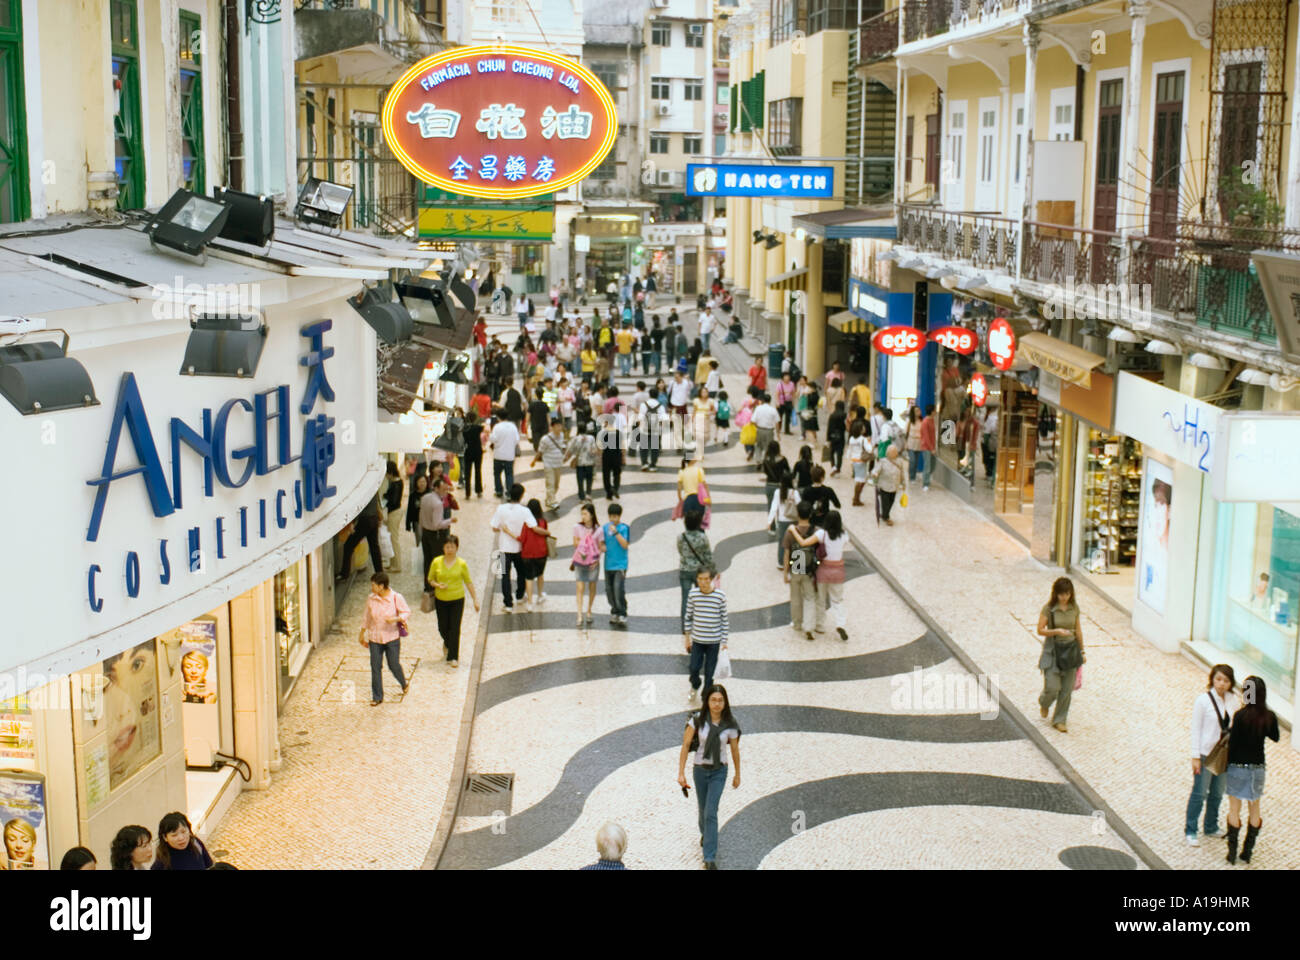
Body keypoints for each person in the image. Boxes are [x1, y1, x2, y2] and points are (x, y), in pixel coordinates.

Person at [677, 683, 741, 870]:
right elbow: (686, 745)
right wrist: (681, 772)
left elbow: (735, 750)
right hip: (700, 770)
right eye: (713, 700)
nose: (717, 704)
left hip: (719, 771)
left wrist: (737, 773)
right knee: (703, 809)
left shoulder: (730, 724)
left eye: (720, 700)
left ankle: (709, 856)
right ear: (707, 701)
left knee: (711, 812)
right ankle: (706, 834)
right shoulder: (696, 721)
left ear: (725, 702)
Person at [1224, 675, 1280, 864]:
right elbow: (1276, 737)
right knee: (1255, 807)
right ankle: (1247, 851)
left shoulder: (1240, 716)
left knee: (1234, 807)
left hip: (1238, 766)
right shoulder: (1269, 716)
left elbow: (1233, 744)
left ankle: (1231, 852)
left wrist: (1226, 766)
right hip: (1258, 768)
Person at [1185, 663, 1239, 847]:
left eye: (1225, 680)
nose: (1221, 683)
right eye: (1218, 679)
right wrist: (1194, 756)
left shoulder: (1233, 699)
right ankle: (1191, 830)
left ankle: (1211, 826)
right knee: (1199, 793)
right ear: (1212, 679)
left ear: (1231, 682)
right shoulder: (1203, 701)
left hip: (1225, 754)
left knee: (1217, 792)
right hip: (1205, 754)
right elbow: (1195, 729)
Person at [791, 509, 850, 642]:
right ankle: (840, 624)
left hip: (823, 570)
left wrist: (793, 530)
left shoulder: (822, 534)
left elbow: (803, 543)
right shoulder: (844, 535)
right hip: (838, 570)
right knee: (838, 600)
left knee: (820, 599)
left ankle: (820, 626)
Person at [1036, 577, 1086, 733]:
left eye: (1067, 594)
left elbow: (1078, 630)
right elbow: (1040, 629)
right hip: (1054, 652)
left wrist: (1082, 651)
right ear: (1056, 594)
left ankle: (1060, 720)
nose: (1064, 597)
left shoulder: (1074, 608)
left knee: (1066, 690)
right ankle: (1044, 702)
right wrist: (1056, 631)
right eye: (1061, 594)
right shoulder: (1049, 609)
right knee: (1052, 686)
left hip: (1070, 650)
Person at [358, 572, 411, 705]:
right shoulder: (371, 598)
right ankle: (377, 697)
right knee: (375, 667)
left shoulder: (395, 597)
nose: (372, 587)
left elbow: (406, 612)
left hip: (392, 637)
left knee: (393, 664)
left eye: (374, 585)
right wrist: (362, 633)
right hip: (375, 638)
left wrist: (396, 618)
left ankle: (403, 683)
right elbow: (367, 617)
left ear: (381, 586)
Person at [429, 534, 479, 668]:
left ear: (457, 548)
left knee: (455, 627)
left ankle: (453, 656)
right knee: (443, 626)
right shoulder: (436, 562)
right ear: (443, 548)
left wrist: (475, 599)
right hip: (441, 599)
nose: (449, 549)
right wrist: (437, 585)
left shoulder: (461, 564)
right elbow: (430, 579)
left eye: (452, 546)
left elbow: (468, 582)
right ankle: (447, 642)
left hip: (457, 599)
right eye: (447, 547)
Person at [491, 482, 536, 612]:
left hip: (504, 548)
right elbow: (533, 526)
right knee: (521, 572)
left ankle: (508, 603)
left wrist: (502, 528)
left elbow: (494, 527)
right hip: (520, 548)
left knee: (505, 575)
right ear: (521, 496)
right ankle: (520, 595)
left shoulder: (501, 508)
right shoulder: (525, 511)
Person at [684, 569, 729, 700]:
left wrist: (724, 641)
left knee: (710, 672)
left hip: (713, 642)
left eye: (706, 579)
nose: (703, 582)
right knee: (693, 667)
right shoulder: (693, 594)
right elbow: (688, 617)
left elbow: (724, 620)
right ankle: (695, 684)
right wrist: (687, 638)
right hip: (697, 640)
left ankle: (706, 697)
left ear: (712, 579)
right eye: (700, 579)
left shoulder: (719, 596)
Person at [783, 501, 822, 640]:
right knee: (810, 598)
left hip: (795, 570)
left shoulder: (790, 532)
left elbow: (787, 554)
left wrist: (785, 573)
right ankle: (809, 626)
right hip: (809, 570)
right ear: (810, 514)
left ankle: (797, 624)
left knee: (795, 598)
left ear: (797, 514)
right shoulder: (816, 531)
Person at [677, 508, 716, 632]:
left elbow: (680, 551)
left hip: (684, 570)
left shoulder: (681, 537)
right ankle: (702, 623)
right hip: (700, 571)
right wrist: (712, 569)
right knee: (702, 597)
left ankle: (685, 627)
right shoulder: (702, 537)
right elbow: (708, 555)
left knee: (686, 598)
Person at [336, 490, 383, 582]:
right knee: (374, 548)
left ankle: (344, 574)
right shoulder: (373, 484)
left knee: (348, 545)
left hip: (365, 520)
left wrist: (352, 522)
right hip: (374, 518)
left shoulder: (363, 486)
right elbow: (377, 502)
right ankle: (380, 574)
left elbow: (358, 506)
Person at [597, 503, 631, 626]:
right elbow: (601, 542)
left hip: (620, 565)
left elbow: (625, 545)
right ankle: (614, 610)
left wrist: (616, 533)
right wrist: (602, 546)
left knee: (618, 589)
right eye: (611, 517)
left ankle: (622, 612)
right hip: (608, 564)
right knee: (609, 590)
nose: (613, 519)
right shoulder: (605, 528)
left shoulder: (624, 528)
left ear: (619, 516)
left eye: (615, 517)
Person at [419, 475, 454, 592]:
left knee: (427, 561)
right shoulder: (438, 504)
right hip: (436, 535)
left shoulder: (425, 497)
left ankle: (427, 586)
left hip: (425, 533)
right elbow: (437, 524)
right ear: (437, 489)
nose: (445, 492)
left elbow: (421, 517)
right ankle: (437, 586)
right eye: (443, 489)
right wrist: (450, 521)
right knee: (437, 562)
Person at [519, 498, 557, 609]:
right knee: (540, 574)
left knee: (529, 577)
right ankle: (540, 595)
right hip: (541, 552)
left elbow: (522, 538)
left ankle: (530, 603)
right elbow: (545, 534)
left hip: (527, 553)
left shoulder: (526, 523)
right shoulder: (543, 522)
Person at [572, 502, 602, 627]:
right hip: (580, 561)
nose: (583, 516)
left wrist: (597, 559)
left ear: (591, 514)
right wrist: (586, 542)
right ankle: (579, 613)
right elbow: (575, 543)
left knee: (592, 587)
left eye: (585, 514)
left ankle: (589, 609)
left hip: (593, 562)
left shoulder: (598, 529)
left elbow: (600, 546)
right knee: (579, 587)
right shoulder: (577, 527)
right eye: (582, 514)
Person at [531, 416, 567, 512]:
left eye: (560, 426)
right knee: (550, 483)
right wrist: (534, 461)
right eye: (557, 426)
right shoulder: (545, 439)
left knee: (556, 485)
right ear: (552, 427)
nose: (559, 428)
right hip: (549, 464)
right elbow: (540, 451)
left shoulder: (562, 435)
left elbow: (563, 446)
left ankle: (548, 499)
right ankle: (552, 502)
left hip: (558, 464)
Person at [768, 472, 801, 571]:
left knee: (782, 542)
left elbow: (774, 507)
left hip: (782, 521)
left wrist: (769, 521)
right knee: (795, 542)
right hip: (794, 520)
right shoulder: (794, 493)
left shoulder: (778, 492)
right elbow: (799, 506)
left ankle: (781, 563)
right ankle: (795, 563)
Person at [871, 446, 907, 524]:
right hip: (884, 486)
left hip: (894, 486)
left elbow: (902, 473)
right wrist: (875, 474)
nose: (893, 453)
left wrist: (903, 483)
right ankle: (886, 517)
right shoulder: (882, 461)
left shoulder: (899, 462)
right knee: (885, 502)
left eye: (895, 452)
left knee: (891, 501)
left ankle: (885, 514)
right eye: (892, 452)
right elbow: (875, 470)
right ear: (888, 453)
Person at [490, 408, 520, 498]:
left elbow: (493, 439)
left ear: (498, 417)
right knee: (509, 474)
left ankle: (499, 490)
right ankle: (509, 493)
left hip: (498, 455)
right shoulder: (513, 426)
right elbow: (516, 440)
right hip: (509, 455)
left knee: (497, 474)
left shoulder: (497, 427)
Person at [599, 406, 627, 500]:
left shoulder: (603, 433)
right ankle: (615, 487)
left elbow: (600, 447)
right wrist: (623, 457)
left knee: (606, 474)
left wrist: (599, 457)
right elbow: (623, 446)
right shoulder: (618, 432)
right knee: (617, 474)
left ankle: (609, 492)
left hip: (606, 456)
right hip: (617, 455)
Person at [565, 420, 598, 501]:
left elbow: (570, 450)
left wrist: (565, 459)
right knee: (589, 479)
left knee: (580, 480)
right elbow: (594, 450)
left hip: (580, 463)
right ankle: (588, 494)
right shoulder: (591, 438)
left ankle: (582, 496)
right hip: (589, 462)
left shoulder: (575, 439)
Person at [381, 461, 404, 573]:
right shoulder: (398, 482)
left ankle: (397, 565)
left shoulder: (395, 484)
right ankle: (393, 563)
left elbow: (393, 501)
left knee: (394, 539)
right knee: (392, 539)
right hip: (396, 511)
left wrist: (386, 497)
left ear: (390, 472)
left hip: (394, 513)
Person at [461, 411, 485, 498]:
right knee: (478, 471)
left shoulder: (464, 428)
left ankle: (467, 493)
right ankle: (479, 491)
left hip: (467, 451)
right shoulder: (478, 428)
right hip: (478, 451)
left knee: (467, 473)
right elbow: (483, 427)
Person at [751, 393, 780, 465]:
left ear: (763, 400)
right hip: (769, 431)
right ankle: (765, 460)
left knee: (758, 445)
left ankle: (758, 460)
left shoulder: (758, 408)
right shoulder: (773, 410)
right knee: (768, 446)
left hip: (760, 429)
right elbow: (777, 422)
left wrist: (757, 426)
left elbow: (753, 421)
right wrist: (778, 433)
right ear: (770, 401)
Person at [677, 454, 709, 518]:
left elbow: (679, 489)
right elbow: (704, 485)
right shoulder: (699, 470)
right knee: (699, 520)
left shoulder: (682, 472)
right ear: (692, 460)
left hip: (687, 500)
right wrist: (708, 498)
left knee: (689, 521)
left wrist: (680, 499)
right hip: (699, 499)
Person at [848, 419, 870, 506]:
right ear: (860, 430)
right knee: (861, 480)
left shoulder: (852, 439)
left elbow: (849, 450)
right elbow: (869, 449)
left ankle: (856, 497)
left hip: (854, 461)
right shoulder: (863, 439)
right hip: (861, 461)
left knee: (858, 479)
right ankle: (856, 498)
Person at [904, 405, 925, 483]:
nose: (918, 412)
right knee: (912, 460)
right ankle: (911, 476)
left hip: (918, 443)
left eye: (919, 410)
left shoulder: (921, 421)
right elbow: (906, 433)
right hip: (911, 442)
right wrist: (905, 443)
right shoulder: (909, 421)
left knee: (916, 461)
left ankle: (914, 476)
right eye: (916, 411)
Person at [528, 386, 551, 455]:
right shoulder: (545, 405)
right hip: (544, 425)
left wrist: (526, 425)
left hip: (535, 425)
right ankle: (542, 454)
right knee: (543, 440)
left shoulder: (532, 405)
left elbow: (528, 416)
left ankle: (538, 453)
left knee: (536, 441)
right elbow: (548, 417)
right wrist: (550, 425)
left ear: (535, 394)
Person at [980, 404, 999, 487]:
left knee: (990, 460)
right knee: (993, 461)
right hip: (993, 444)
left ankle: (990, 476)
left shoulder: (992, 418)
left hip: (991, 444)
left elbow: (987, 432)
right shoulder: (993, 417)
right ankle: (990, 476)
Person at [827, 400, 847, 475]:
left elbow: (829, 427)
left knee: (832, 453)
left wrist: (828, 439)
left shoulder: (832, 415)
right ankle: (838, 468)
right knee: (840, 453)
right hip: (841, 436)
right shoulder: (844, 415)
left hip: (833, 436)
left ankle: (833, 466)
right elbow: (845, 426)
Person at [919, 404, 937, 490]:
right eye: (935, 410)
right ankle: (925, 483)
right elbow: (926, 437)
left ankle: (928, 479)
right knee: (927, 465)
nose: (936, 412)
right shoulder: (925, 422)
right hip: (926, 447)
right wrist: (931, 448)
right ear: (932, 411)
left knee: (933, 464)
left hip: (932, 447)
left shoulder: (932, 420)